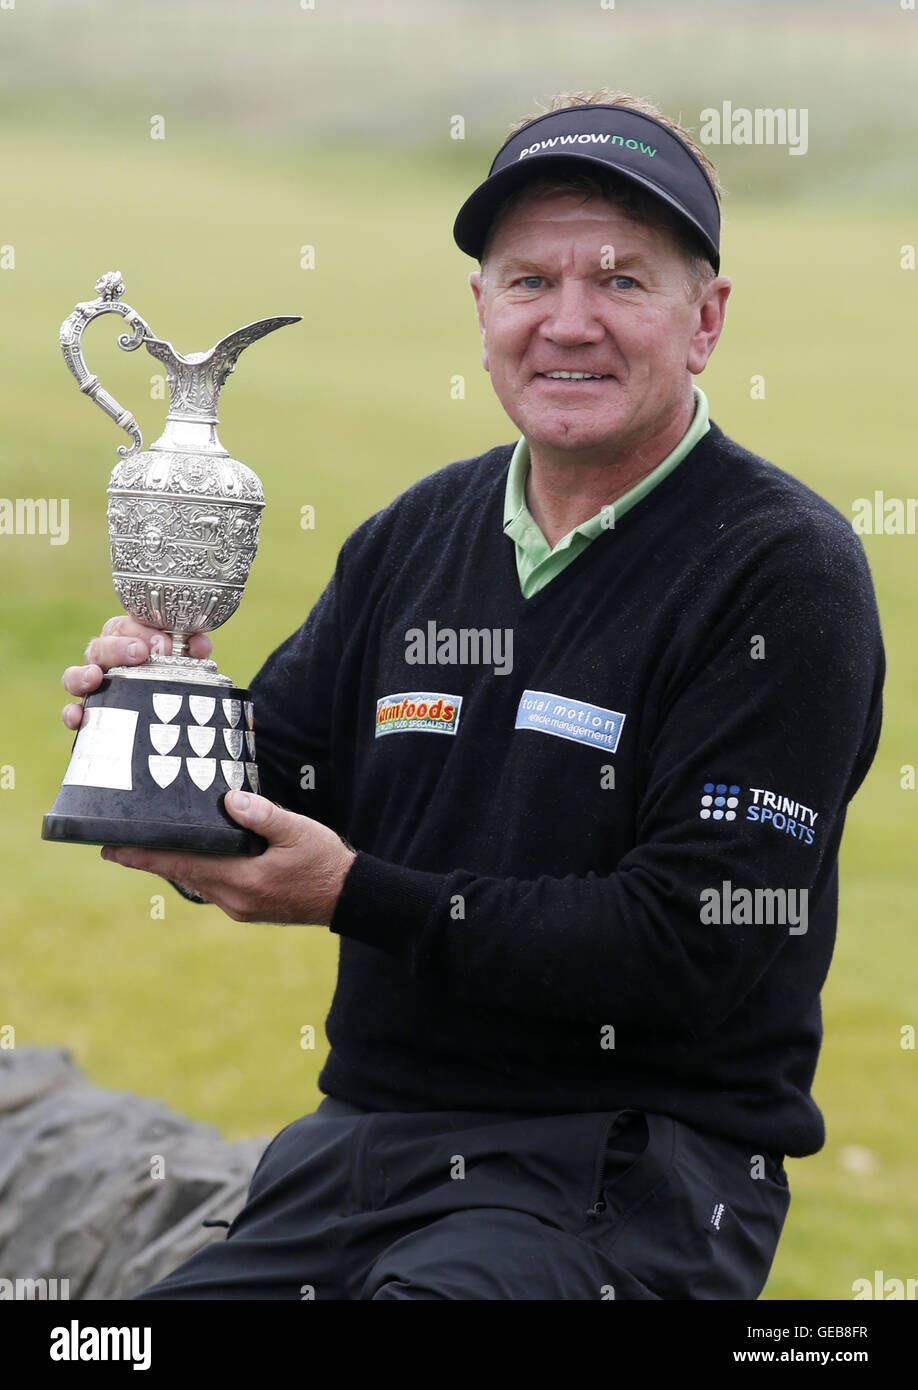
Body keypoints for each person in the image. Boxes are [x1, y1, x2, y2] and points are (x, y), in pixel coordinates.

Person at [60, 91, 885, 1301]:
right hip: (362, 1153)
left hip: (630, 1169)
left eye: (621, 281)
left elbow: (687, 941)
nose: (569, 323)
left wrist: (355, 893)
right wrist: (158, 733)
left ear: (704, 320)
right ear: (481, 308)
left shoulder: (781, 572)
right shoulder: (417, 535)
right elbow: (266, 791)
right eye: (528, 281)